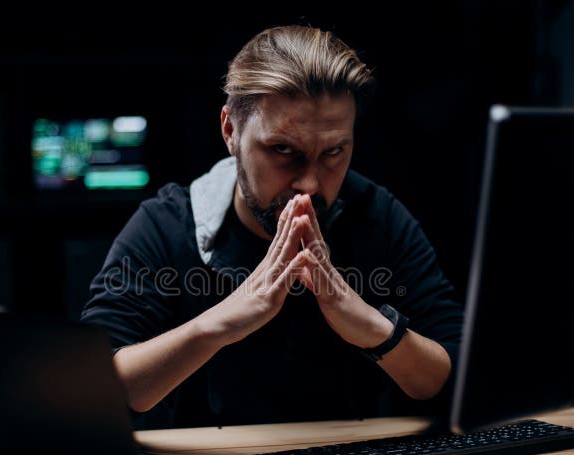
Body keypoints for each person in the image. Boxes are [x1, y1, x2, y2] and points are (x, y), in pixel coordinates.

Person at [81, 25, 463, 429]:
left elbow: (454, 374)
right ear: (230, 131)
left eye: (333, 151)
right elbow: (94, 387)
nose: (310, 184)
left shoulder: (380, 217)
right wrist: (219, 324)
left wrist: (372, 327)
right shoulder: (165, 226)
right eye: (282, 150)